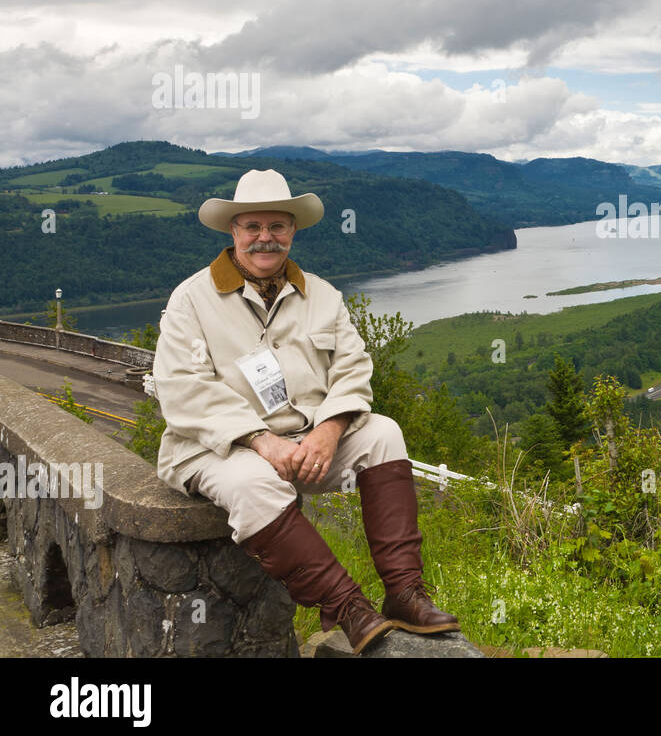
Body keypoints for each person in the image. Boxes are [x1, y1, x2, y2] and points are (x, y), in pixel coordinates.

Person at [151, 168, 458, 654]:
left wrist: (331, 429)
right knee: (254, 484)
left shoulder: (323, 295)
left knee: (384, 434)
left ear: (292, 231)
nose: (264, 239)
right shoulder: (191, 300)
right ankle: (347, 609)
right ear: (233, 231)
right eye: (253, 227)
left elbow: (353, 369)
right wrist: (261, 440)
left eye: (277, 227)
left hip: (308, 440)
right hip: (217, 449)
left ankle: (404, 593)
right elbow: (182, 388)